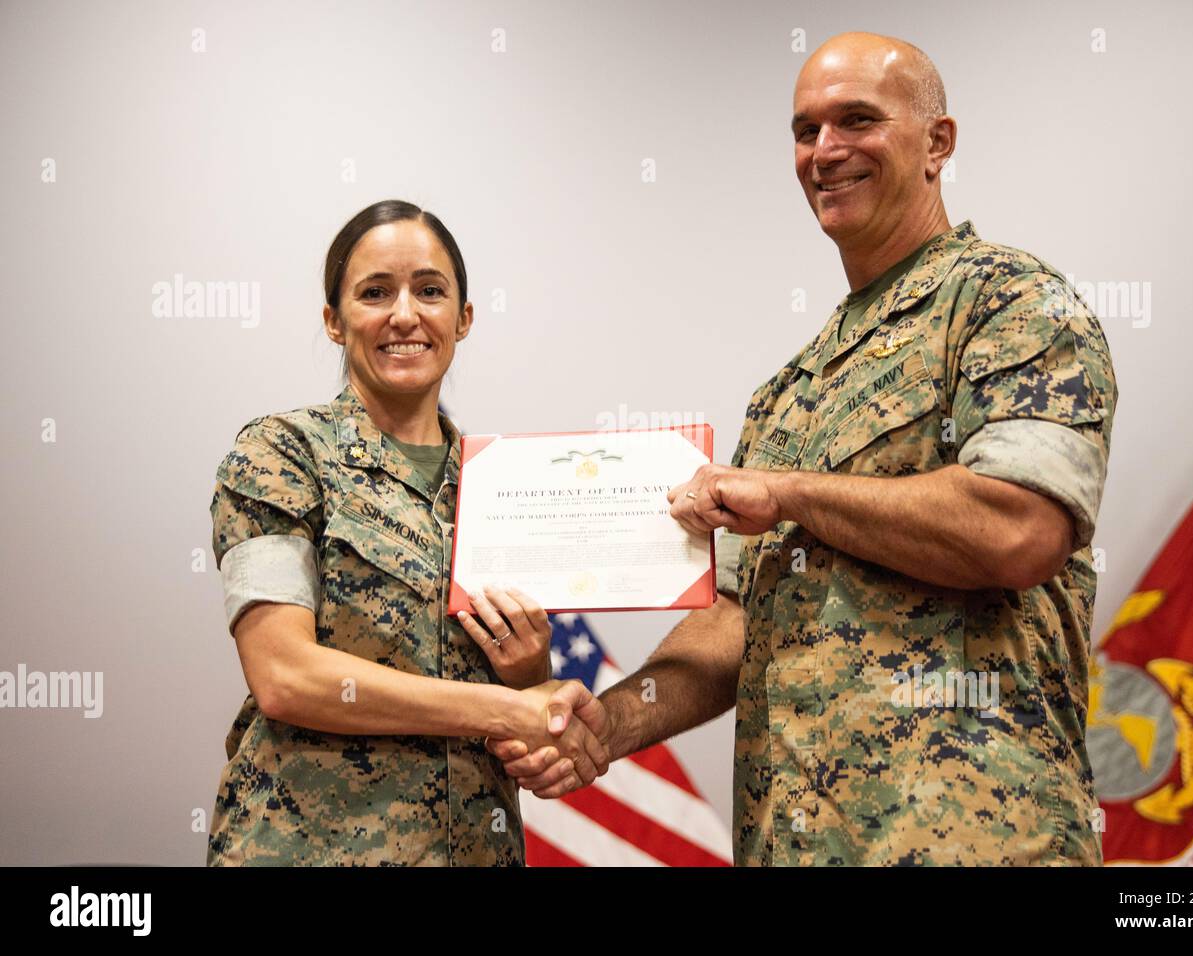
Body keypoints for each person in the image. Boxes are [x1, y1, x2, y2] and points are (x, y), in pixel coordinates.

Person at [493, 32, 1118, 866]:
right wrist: (611, 722)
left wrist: (790, 495)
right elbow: (735, 620)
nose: (825, 151)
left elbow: (1018, 530)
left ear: (939, 142)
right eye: (805, 130)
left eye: (856, 119)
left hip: (971, 841)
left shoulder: (1010, 303)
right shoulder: (790, 390)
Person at [207, 200, 608, 865]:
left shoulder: (505, 486)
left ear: (464, 317)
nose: (404, 314)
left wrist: (530, 670)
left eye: (429, 291)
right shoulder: (279, 454)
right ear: (334, 322)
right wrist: (502, 710)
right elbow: (283, 674)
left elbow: (528, 722)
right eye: (374, 293)